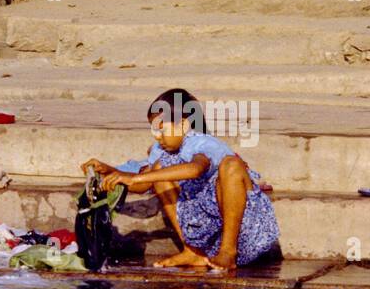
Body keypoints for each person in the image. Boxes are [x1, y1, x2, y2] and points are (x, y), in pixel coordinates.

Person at [79, 88, 280, 273]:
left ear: (183, 124)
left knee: (231, 165)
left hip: (245, 235)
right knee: (159, 169)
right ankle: (193, 251)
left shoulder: (202, 142)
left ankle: (228, 252)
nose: (157, 136)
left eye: (161, 128)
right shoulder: (162, 150)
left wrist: (136, 177)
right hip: (210, 236)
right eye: (153, 130)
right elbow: (143, 183)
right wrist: (111, 171)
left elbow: (195, 169)